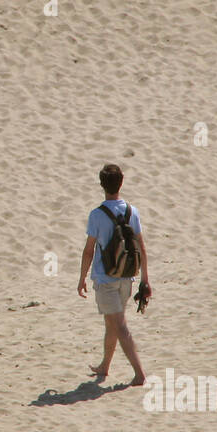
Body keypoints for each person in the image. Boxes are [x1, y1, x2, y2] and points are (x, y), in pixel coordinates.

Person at [77, 163, 150, 384]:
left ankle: (139, 373)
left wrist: (81, 278)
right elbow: (141, 247)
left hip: (106, 279)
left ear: (102, 185)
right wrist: (145, 280)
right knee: (112, 323)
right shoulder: (132, 210)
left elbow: (89, 250)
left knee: (119, 325)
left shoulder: (96, 215)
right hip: (127, 277)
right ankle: (105, 366)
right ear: (121, 182)